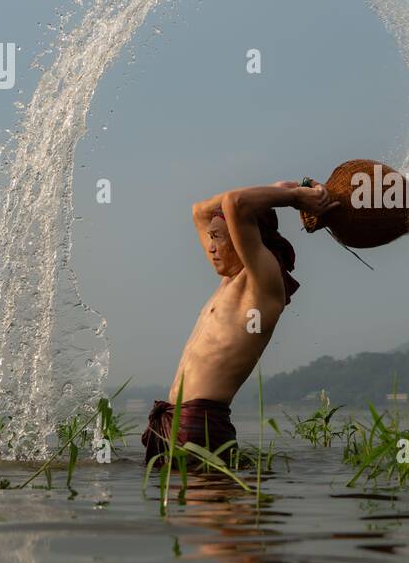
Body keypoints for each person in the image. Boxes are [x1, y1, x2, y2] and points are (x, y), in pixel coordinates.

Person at [141, 180, 338, 467]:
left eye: (219, 238)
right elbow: (199, 211)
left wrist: (295, 197)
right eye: (210, 237)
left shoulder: (263, 283)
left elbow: (235, 203)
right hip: (173, 419)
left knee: (208, 509)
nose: (210, 247)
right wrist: (275, 188)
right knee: (180, 511)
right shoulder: (229, 281)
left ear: (245, 238)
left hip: (202, 421)